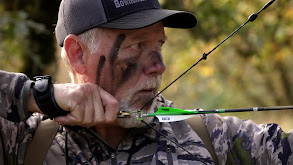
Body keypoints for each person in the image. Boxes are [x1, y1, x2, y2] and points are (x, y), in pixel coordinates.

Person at [0, 0, 292, 164]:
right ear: (77, 54)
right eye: (137, 47)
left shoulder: (216, 139)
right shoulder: (21, 143)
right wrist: (33, 95)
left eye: (159, 45)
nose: (159, 66)